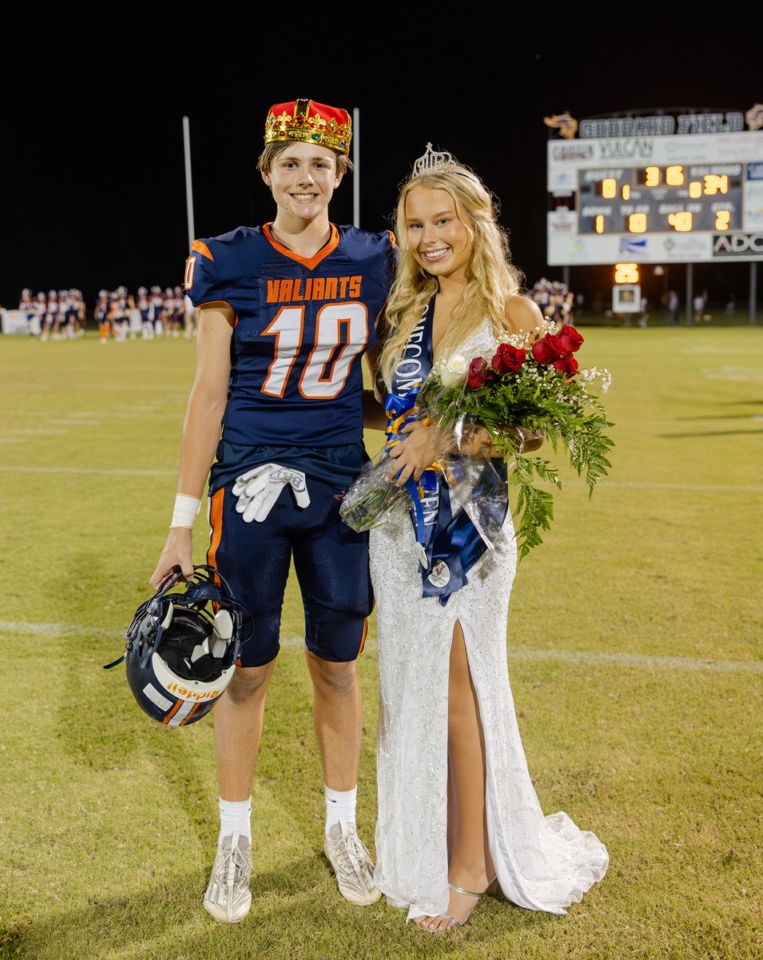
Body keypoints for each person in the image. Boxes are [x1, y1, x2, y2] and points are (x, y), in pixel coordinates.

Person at [148, 98, 397, 923]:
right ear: (266, 174)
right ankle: (234, 839)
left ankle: (341, 826)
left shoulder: (374, 258)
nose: (304, 176)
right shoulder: (227, 259)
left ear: (340, 175)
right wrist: (182, 521)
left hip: (339, 493)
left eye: (320, 163)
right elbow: (210, 392)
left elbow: (381, 382)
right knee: (245, 672)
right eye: (288, 162)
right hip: (248, 492)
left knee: (337, 665)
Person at [366, 144, 609, 931]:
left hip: (469, 529)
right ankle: (429, 847)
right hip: (401, 529)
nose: (430, 236)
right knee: (412, 691)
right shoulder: (403, 316)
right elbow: (391, 416)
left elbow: (532, 432)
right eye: (416, 224)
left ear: (475, 225)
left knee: (460, 689)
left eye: (443, 221)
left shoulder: (514, 314)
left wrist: (454, 439)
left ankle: (470, 865)